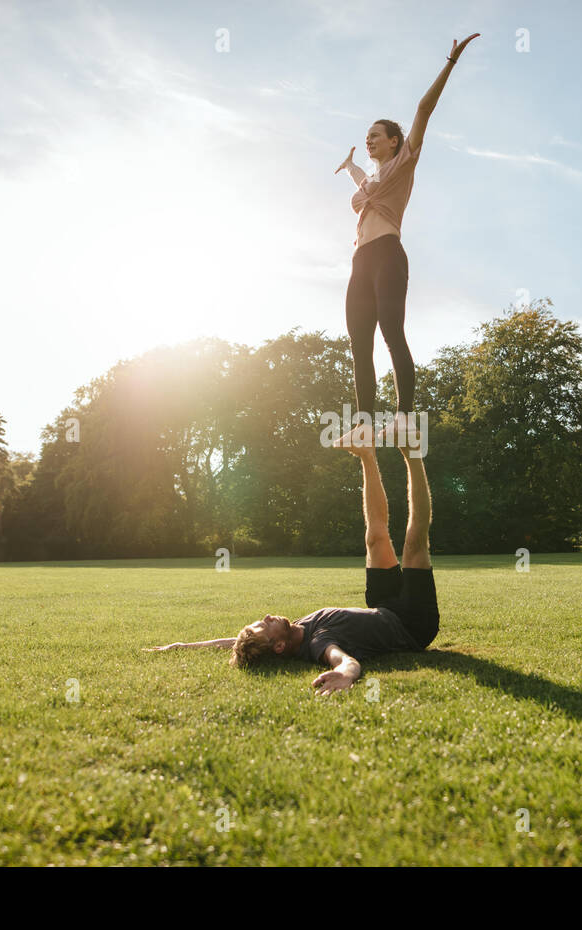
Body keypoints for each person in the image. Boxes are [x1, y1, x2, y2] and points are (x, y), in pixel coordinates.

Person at [146, 442, 438, 696]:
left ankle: (366, 455)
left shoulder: (297, 629)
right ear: (278, 647)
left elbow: (229, 643)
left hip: (383, 607)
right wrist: (346, 675)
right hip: (411, 623)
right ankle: (412, 453)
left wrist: (183, 646)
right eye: (263, 625)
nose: (267, 616)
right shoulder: (318, 643)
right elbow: (345, 661)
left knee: (375, 536)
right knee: (414, 544)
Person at [332, 33, 480, 451]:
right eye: (367, 136)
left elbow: (422, 109)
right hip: (360, 261)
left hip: (388, 256)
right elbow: (365, 181)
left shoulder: (405, 160)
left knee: (391, 333)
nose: (369, 139)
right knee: (359, 344)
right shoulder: (374, 177)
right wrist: (350, 167)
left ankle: (402, 419)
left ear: (394, 141)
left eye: (375, 135)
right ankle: (362, 425)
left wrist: (449, 62)